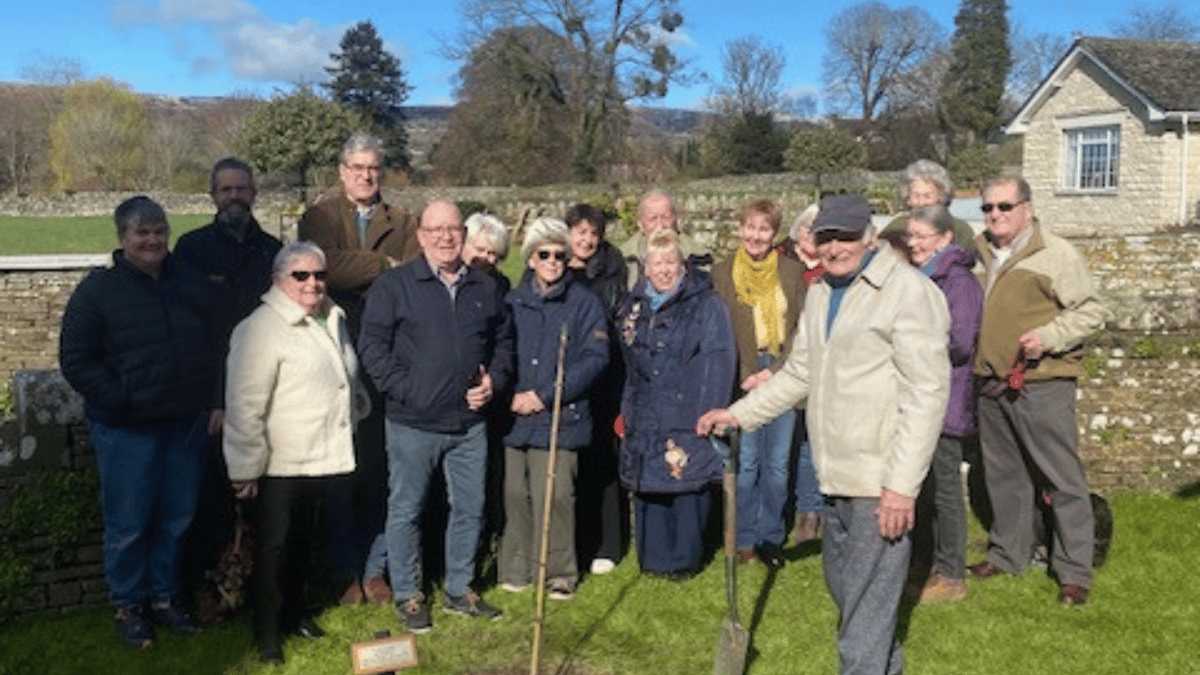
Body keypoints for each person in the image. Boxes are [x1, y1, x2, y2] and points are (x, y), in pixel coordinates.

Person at [697, 194, 950, 675]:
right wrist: (739, 415)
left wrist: (901, 485)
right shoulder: (821, 293)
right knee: (853, 601)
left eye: (846, 236)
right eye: (826, 237)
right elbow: (797, 376)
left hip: (880, 482)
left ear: (870, 237)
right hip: (834, 477)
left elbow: (927, 394)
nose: (835, 247)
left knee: (862, 624)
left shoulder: (908, 293)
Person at [59, 195, 219, 649]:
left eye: (158, 231)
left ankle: (166, 599)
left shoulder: (189, 282)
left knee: (176, 517)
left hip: (185, 423)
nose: (152, 241)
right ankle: (129, 606)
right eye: (141, 233)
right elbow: (75, 359)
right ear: (122, 237)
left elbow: (214, 346)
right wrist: (122, 399)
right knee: (129, 523)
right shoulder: (98, 291)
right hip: (126, 427)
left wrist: (212, 400)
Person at [358, 200, 514, 633]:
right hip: (412, 423)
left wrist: (495, 381)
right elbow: (372, 347)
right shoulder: (395, 286)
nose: (446, 237)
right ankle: (408, 595)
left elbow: (503, 342)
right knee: (406, 509)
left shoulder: (484, 288)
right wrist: (408, 390)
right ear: (421, 236)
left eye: (453, 229)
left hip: (469, 424)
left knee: (470, 507)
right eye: (436, 230)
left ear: (463, 235)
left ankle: (460, 590)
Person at [223, 241, 370, 665]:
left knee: (303, 543)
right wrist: (245, 468)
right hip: (278, 461)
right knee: (274, 548)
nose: (312, 283)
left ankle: (294, 614)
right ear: (277, 280)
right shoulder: (259, 329)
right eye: (300, 275)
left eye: (319, 275)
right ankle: (266, 631)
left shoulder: (331, 317)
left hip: (319, 453)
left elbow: (345, 377)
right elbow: (245, 404)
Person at [967, 176, 1108, 606]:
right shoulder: (979, 253)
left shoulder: (1056, 254)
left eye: (1004, 207)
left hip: (1042, 382)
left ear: (1027, 209)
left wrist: (1049, 335)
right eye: (988, 208)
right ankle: (1009, 554)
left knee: (1061, 478)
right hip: (992, 382)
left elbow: (1093, 310)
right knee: (1004, 477)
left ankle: (1074, 572)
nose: (995, 215)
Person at [297, 132, 419, 605]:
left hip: (386, 355)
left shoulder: (403, 220)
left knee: (380, 471)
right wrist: (381, 266)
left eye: (373, 168)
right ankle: (345, 570)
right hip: (333, 355)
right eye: (357, 167)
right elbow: (324, 270)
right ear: (342, 171)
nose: (366, 175)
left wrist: (366, 270)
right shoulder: (319, 217)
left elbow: (410, 277)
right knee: (339, 471)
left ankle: (375, 571)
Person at [173, 157, 281, 617]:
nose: (235, 197)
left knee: (263, 503)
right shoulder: (192, 249)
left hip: (268, 396)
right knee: (211, 502)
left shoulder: (274, 250)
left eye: (242, 189)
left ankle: (257, 591)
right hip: (214, 399)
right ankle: (207, 592)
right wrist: (216, 399)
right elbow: (190, 332)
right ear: (212, 196)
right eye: (226, 190)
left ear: (254, 193)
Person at [498, 217, 609, 600]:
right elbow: (501, 353)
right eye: (544, 254)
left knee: (557, 495)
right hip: (516, 414)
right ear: (530, 258)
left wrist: (545, 395)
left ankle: (560, 572)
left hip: (562, 414)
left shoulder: (584, 303)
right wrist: (508, 393)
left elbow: (595, 359)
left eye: (560, 255)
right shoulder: (512, 302)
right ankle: (518, 565)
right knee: (515, 492)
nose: (552, 261)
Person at [618, 228, 735, 578]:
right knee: (650, 485)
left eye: (672, 262)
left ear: (683, 265)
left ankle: (683, 560)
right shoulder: (632, 307)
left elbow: (719, 356)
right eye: (657, 262)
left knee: (685, 484)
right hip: (644, 407)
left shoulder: (706, 304)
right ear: (646, 267)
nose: (665, 269)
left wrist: (711, 406)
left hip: (689, 406)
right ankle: (653, 559)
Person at [711, 199, 805, 569]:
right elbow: (720, 331)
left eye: (764, 229)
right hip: (744, 374)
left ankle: (771, 538)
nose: (755, 236)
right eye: (749, 227)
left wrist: (776, 370)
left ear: (775, 233)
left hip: (783, 370)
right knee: (747, 462)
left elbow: (802, 328)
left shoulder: (793, 273)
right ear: (740, 229)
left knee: (778, 463)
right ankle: (744, 538)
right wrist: (745, 374)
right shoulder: (721, 275)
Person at [903, 204, 983, 603]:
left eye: (922, 236)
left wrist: (911, 346)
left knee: (946, 489)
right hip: (920, 396)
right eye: (911, 235)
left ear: (945, 238)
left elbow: (962, 342)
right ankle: (927, 563)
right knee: (923, 488)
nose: (913, 242)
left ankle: (952, 575)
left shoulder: (958, 281)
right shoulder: (923, 275)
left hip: (947, 398)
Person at [564, 203, 628, 574]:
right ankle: (574, 540)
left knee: (605, 460)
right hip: (567, 379)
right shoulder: (552, 266)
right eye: (580, 231)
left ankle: (608, 543)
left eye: (593, 233)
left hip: (605, 378)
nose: (586, 239)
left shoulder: (612, 272)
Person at [781, 204, 826, 546]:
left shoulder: (831, 266)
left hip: (820, 364)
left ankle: (809, 512)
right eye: (807, 227)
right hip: (784, 361)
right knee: (784, 443)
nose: (811, 234)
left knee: (811, 440)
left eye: (818, 228)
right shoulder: (781, 261)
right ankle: (782, 508)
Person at [880, 159, 978, 258]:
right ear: (907, 198)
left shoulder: (960, 230)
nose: (921, 202)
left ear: (941, 198)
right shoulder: (896, 228)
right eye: (915, 196)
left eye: (927, 196)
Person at [619, 189, 711, 288]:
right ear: (640, 223)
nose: (660, 226)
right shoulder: (621, 261)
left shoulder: (700, 259)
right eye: (653, 219)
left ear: (676, 220)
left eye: (666, 217)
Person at [463, 211, 513, 294]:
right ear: (464, 244)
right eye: (480, 250)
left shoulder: (500, 286)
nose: (485, 257)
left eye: (493, 253)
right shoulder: (446, 280)